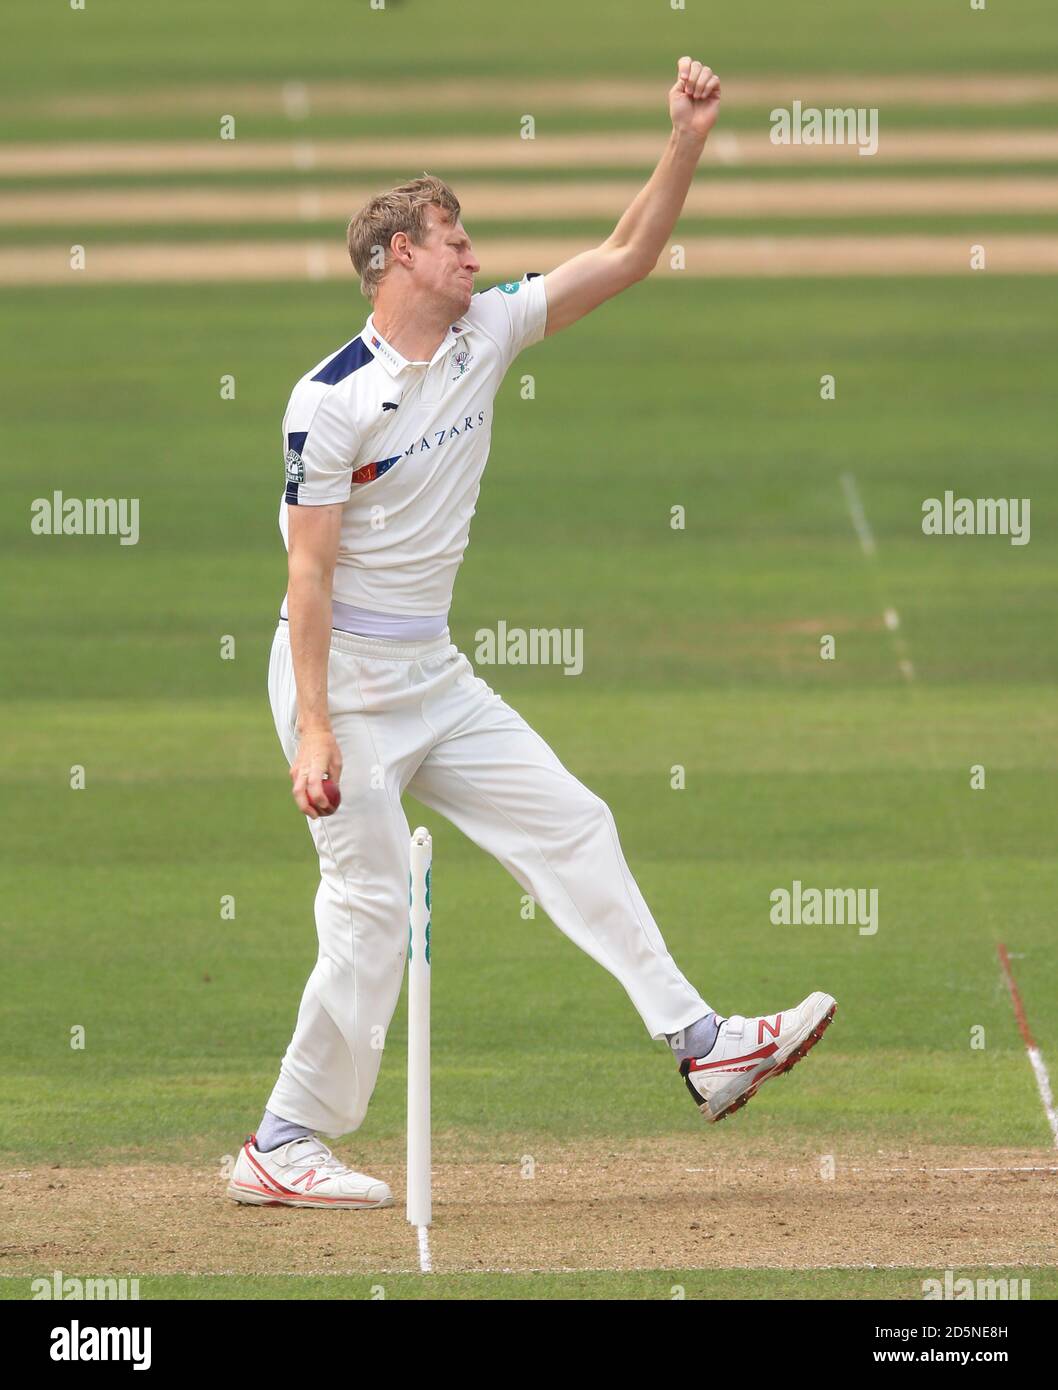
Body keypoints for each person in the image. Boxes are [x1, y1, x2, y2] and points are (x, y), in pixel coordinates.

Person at [228, 57, 836, 1209]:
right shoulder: (331, 400)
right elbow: (305, 573)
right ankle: (284, 1140)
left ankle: (701, 1040)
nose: (472, 254)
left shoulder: (486, 333)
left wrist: (685, 141)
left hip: (433, 671)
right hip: (342, 677)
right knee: (366, 910)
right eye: (452, 238)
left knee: (570, 821)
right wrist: (315, 730)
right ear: (396, 255)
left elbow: (624, 255)